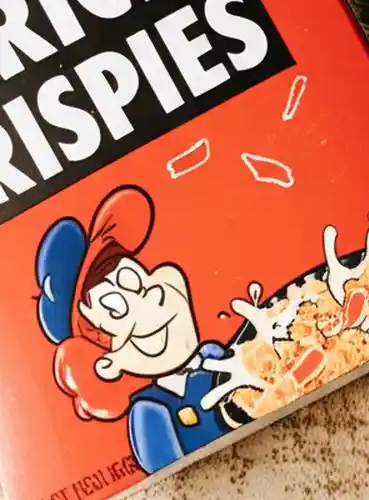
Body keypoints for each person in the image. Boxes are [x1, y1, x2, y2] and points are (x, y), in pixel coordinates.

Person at [36, 185, 231, 474]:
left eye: (134, 279)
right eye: (116, 309)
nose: (151, 301)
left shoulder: (215, 353)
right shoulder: (151, 413)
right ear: (109, 361)